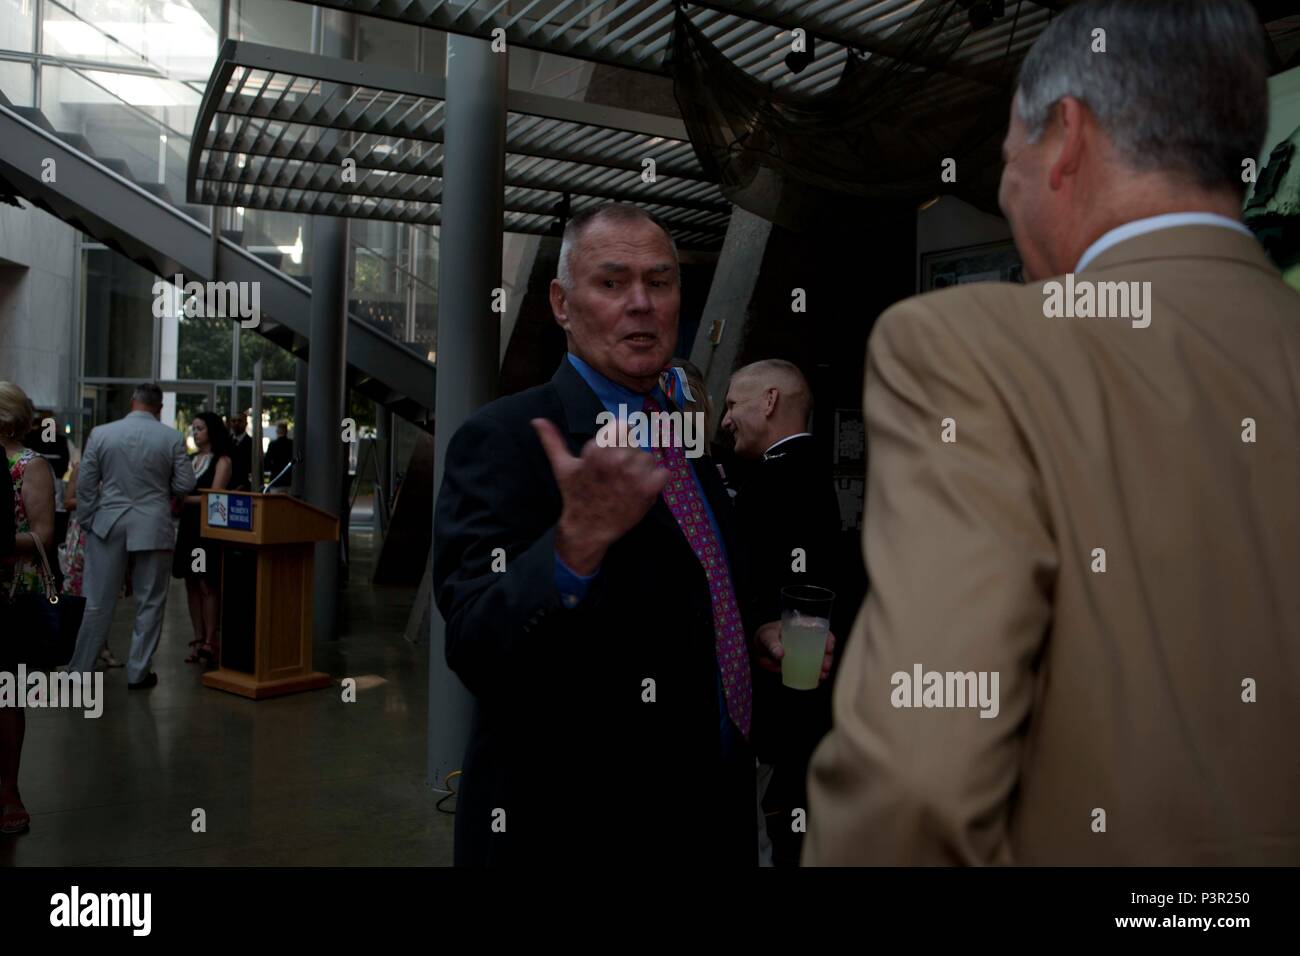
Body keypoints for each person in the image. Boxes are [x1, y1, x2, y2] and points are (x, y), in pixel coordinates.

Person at [805, 0, 1300, 866]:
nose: (1008, 189)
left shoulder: (968, 351)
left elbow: (918, 782)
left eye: (1008, 160)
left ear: (1065, 138)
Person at [433, 204, 819, 866]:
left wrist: (759, 629)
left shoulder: (686, 435)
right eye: (611, 283)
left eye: (660, 282)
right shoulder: (506, 439)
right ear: (560, 303)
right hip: (584, 830)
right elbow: (475, 641)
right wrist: (571, 546)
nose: (641, 303)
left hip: (716, 813)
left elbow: (705, 578)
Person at [721, 359, 844, 866]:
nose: (725, 420)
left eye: (731, 405)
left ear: (768, 401)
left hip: (776, 710)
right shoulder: (814, 473)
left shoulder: (773, 483)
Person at [67, 383, 196, 689]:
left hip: (108, 522)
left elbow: (85, 484)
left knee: (97, 599)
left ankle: (79, 669)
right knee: (150, 601)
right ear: (159, 408)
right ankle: (138, 673)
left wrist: (88, 519)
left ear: (132, 402)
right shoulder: (172, 438)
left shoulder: (101, 434)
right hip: (153, 524)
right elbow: (185, 483)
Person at [0, 382, 56, 836]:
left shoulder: (29, 466)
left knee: (7, 698)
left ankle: (9, 792)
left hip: (12, 590)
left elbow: (43, 534)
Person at [173, 412, 232, 664]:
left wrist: (184, 499)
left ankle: (210, 640)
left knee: (206, 584)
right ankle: (198, 637)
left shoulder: (223, 460)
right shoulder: (191, 460)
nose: (195, 433)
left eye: (200, 429)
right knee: (191, 583)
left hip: (206, 530)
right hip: (187, 527)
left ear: (212, 431)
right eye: (193, 429)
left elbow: (215, 496)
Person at [60, 461, 121, 669]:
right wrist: (95, 500)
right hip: (81, 534)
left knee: (103, 593)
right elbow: (67, 501)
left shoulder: (115, 470)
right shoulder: (80, 469)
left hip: (106, 531)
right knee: (78, 592)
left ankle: (101, 647)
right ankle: (77, 650)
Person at [262, 421, 293, 491]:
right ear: (286, 431)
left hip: (276, 479)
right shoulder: (291, 444)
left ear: (277, 431)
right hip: (289, 480)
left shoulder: (273, 445)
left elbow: (267, 462)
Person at [227, 412, 252, 492]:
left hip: (244, 488)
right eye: (233, 421)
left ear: (246, 423)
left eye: (240, 421)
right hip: (227, 487)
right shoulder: (225, 442)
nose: (236, 424)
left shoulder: (252, 444)